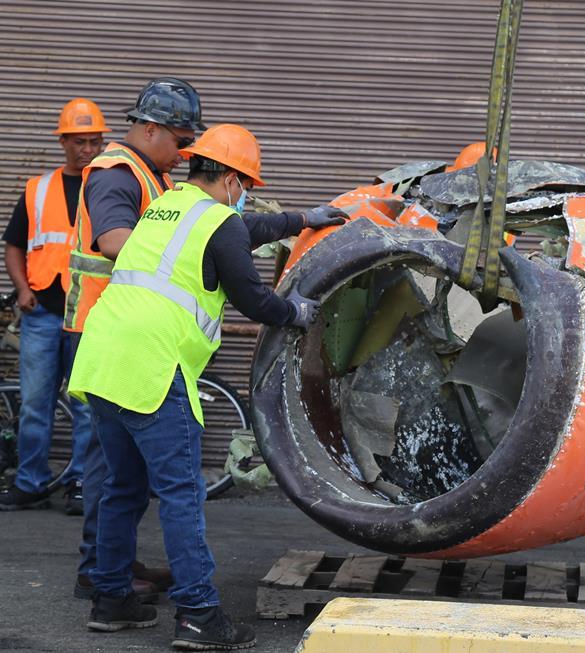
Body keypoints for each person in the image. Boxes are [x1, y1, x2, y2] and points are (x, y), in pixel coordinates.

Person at [66, 78, 345, 604]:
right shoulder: (161, 196)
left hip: (102, 358)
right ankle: (199, 613)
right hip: (152, 366)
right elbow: (256, 300)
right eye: (248, 187)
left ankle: (111, 601)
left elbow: (239, 231)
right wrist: (299, 313)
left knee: (123, 490)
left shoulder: (165, 206)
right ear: (234, 181)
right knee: (181, 494)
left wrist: (301, 219)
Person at [0, 99, 104, 514]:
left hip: (89, 314)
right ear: (63, 142)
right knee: (36, 404)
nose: (88, 149)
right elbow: (13, 245)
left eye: (95, 141)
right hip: (42, 311)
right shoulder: (37, 190)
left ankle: (81, 481)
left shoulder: (109, 184)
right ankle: (30, 482)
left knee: (85, 404)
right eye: (80, 141)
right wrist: (22, 289)